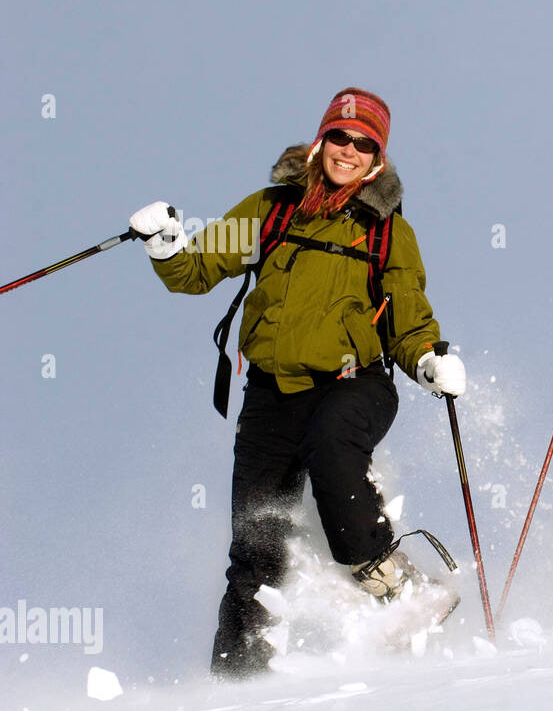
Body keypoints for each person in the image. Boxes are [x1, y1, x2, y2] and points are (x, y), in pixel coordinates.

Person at [130, 88, 467, 677]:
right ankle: (240, 678)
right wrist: (164, 243)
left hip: (352, 383)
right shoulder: (272, 209)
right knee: (256, 542)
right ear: (321, 141)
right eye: (340, 136)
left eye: (365, 144)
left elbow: (408, 319)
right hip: (270, 395)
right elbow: (196, 270)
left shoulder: (387, 233)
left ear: (378, 159)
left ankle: (397, 584)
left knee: (335, 450)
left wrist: (429, 363)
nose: (349, 150)